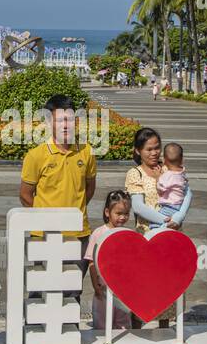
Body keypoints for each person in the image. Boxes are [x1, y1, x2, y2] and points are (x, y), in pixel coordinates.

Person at [20, 94, 98, 303]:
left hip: (79, 233)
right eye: (60, 120)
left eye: (70, 119)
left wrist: (74, 212)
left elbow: (89, 189)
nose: (66, 125)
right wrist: (46, 219)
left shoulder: (87, 152)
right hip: (44, 234)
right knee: (40, 289)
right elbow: (25, 195)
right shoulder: (36, 155)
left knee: (73, 291)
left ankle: (70, 333)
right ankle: (35, 332)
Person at [85, 191, 134, 331]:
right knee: (101, 325)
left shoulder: (128, 234)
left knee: (123, 325)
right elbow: (91, 262)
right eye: (118, 213)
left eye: (126, 213)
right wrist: (96, 285)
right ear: (107, 212)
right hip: (103, 290)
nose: (123, 217)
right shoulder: (98, 233)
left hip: (122, 291)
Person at [151, 143, 192, 230]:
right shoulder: (182, 173)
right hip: (178, 205)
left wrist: (158, 177)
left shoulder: (168, 175)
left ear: (164, 160)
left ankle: (161, 229)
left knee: (155, 225)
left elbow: (161, 189)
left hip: (169, 206)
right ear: (181, 160)